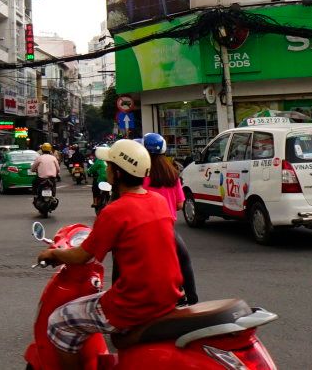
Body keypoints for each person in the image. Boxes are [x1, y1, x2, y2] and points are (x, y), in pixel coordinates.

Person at [38, 139, 183, 369]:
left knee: (58, 322)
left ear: (117, 172)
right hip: (167, 297)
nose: (105, 169)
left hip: (134, 304)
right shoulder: (157, 201)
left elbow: (82, 256)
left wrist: (53, 255)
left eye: (109, 166)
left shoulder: (114, 211)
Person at [142, 132, 198, 305]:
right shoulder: (172, 173)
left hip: (146, 228)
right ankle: (193, 298)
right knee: (184, 260)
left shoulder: (142, 174)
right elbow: (181, 204)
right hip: (168, 228)